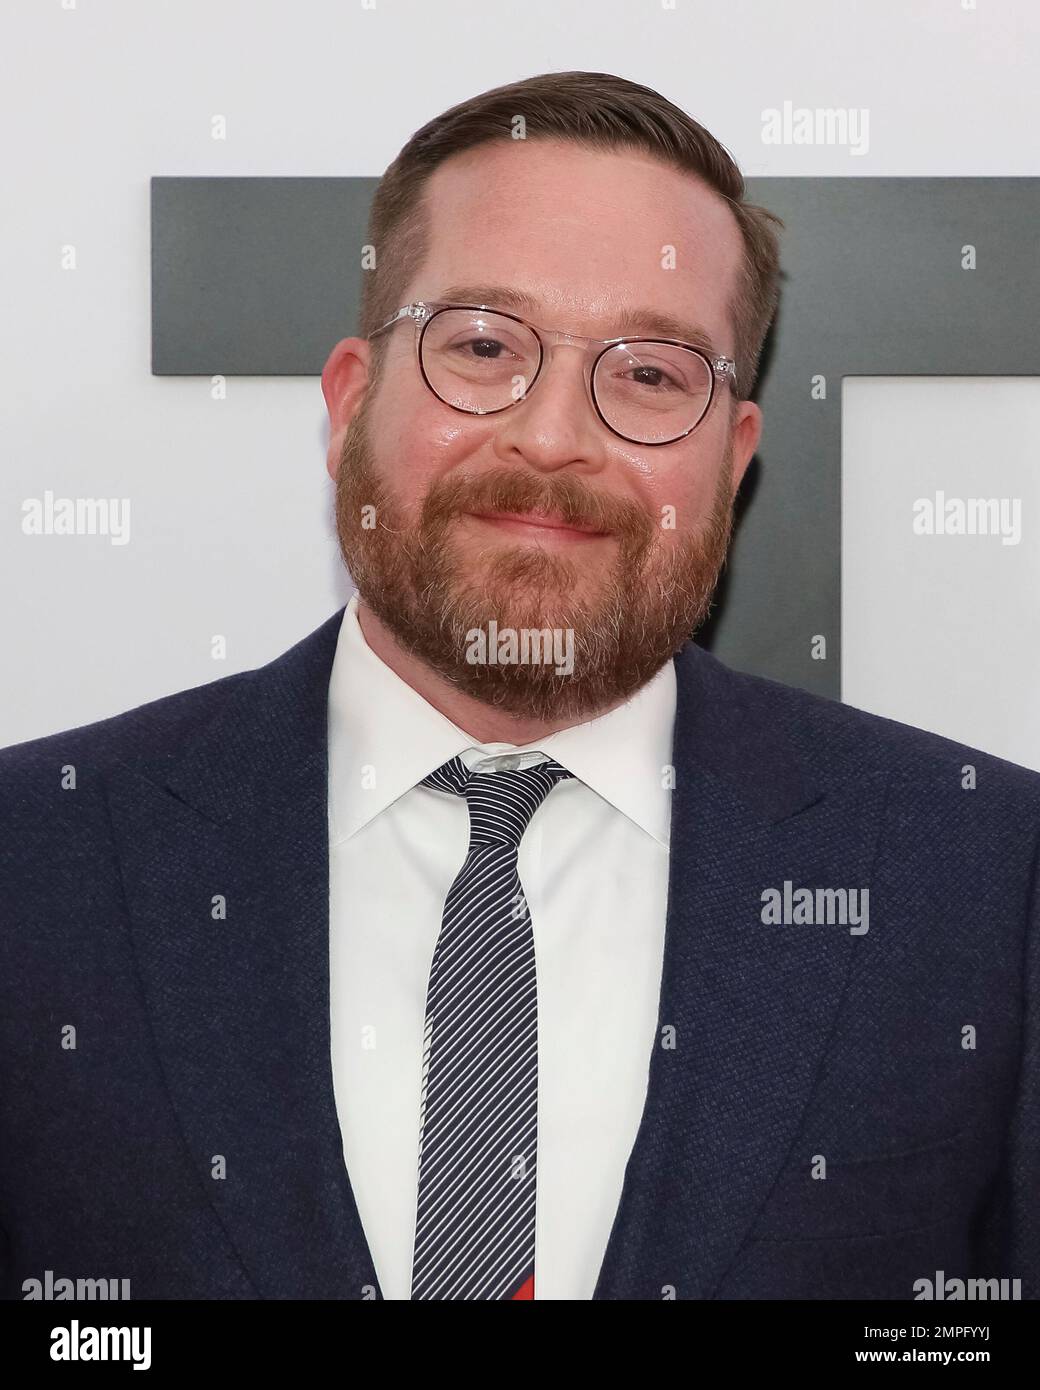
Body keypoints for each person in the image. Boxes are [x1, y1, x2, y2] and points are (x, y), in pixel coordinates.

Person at [2, 71, 1038, 1303]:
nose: (552, 437)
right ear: (348, 407)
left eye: (650, 373)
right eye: (483, 347)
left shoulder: (984, 874)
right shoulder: (36, 859)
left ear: (733, 460)